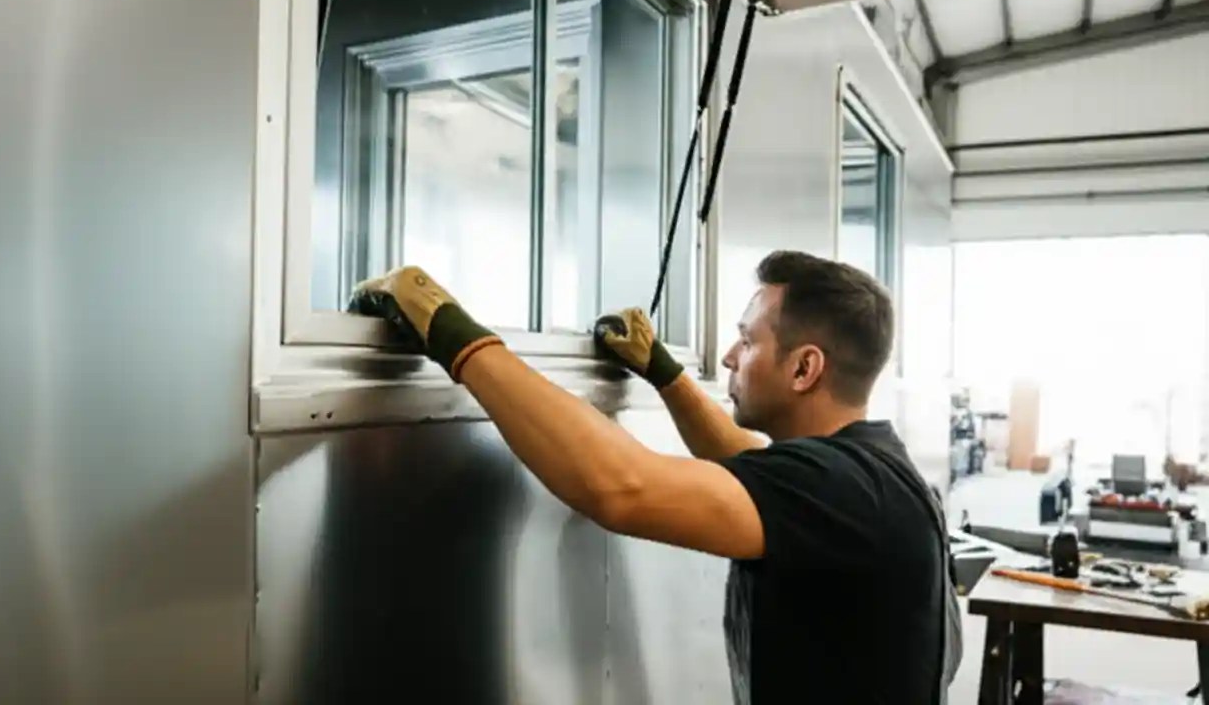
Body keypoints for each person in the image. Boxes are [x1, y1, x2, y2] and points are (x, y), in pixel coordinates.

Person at [352, 250, 961, 704]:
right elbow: (742, 459)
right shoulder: (867, 466)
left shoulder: (842, 490)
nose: (727, 358)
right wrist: (665, 374)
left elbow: (621, 486)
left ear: (805, 368)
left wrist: (450, 331)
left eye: (746, 342)